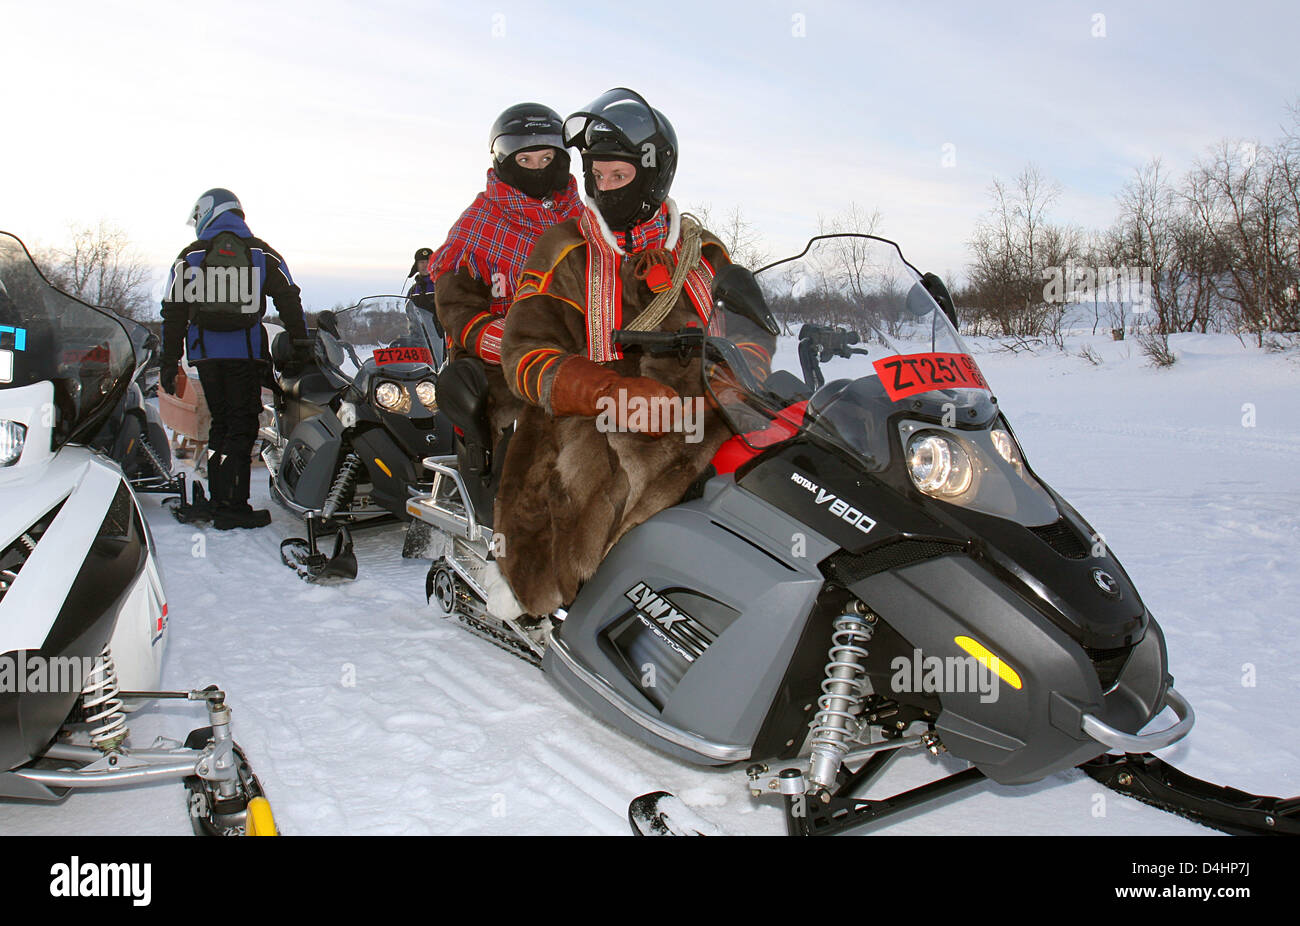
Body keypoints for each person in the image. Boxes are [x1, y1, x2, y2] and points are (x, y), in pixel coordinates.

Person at [490, 88, 773, 620]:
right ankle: (584, 599)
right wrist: (609, 391)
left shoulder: (703, 250)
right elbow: (523, 356)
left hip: (702, 404)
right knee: (598, 476)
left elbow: (748, 327)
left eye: (618, 176)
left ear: (652, 174)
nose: (604, 187)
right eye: (597, 176)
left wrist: (743, 373)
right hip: (586, 411)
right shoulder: (565, 247)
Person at [429, 103, 583, 513]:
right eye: (525, 160)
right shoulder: (479, 223)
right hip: (497, 360)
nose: (537, 168)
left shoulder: (584, 221)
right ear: (503, 161)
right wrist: (501, 339)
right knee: (519, 421)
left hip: (575, 350)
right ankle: (506, 514)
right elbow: (455, 302)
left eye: (547, 159)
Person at [159, 188, 309, 530]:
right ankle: (234, 507)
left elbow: (173, 312)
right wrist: (300, 341)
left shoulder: (191, 255)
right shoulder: (260, 252)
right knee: (242, 426)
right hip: (245, 353)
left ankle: (220, 498)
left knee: (221, 424)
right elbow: (288, 295)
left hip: (207, 356)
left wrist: (169, 360)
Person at [405, 247, 442, 337]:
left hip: (439, 338)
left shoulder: (441, 286)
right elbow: (409, 315)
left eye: (428, 262)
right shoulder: (412, 291)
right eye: (421, 262)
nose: (425, 265)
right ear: (416, 265)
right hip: (419, 339)